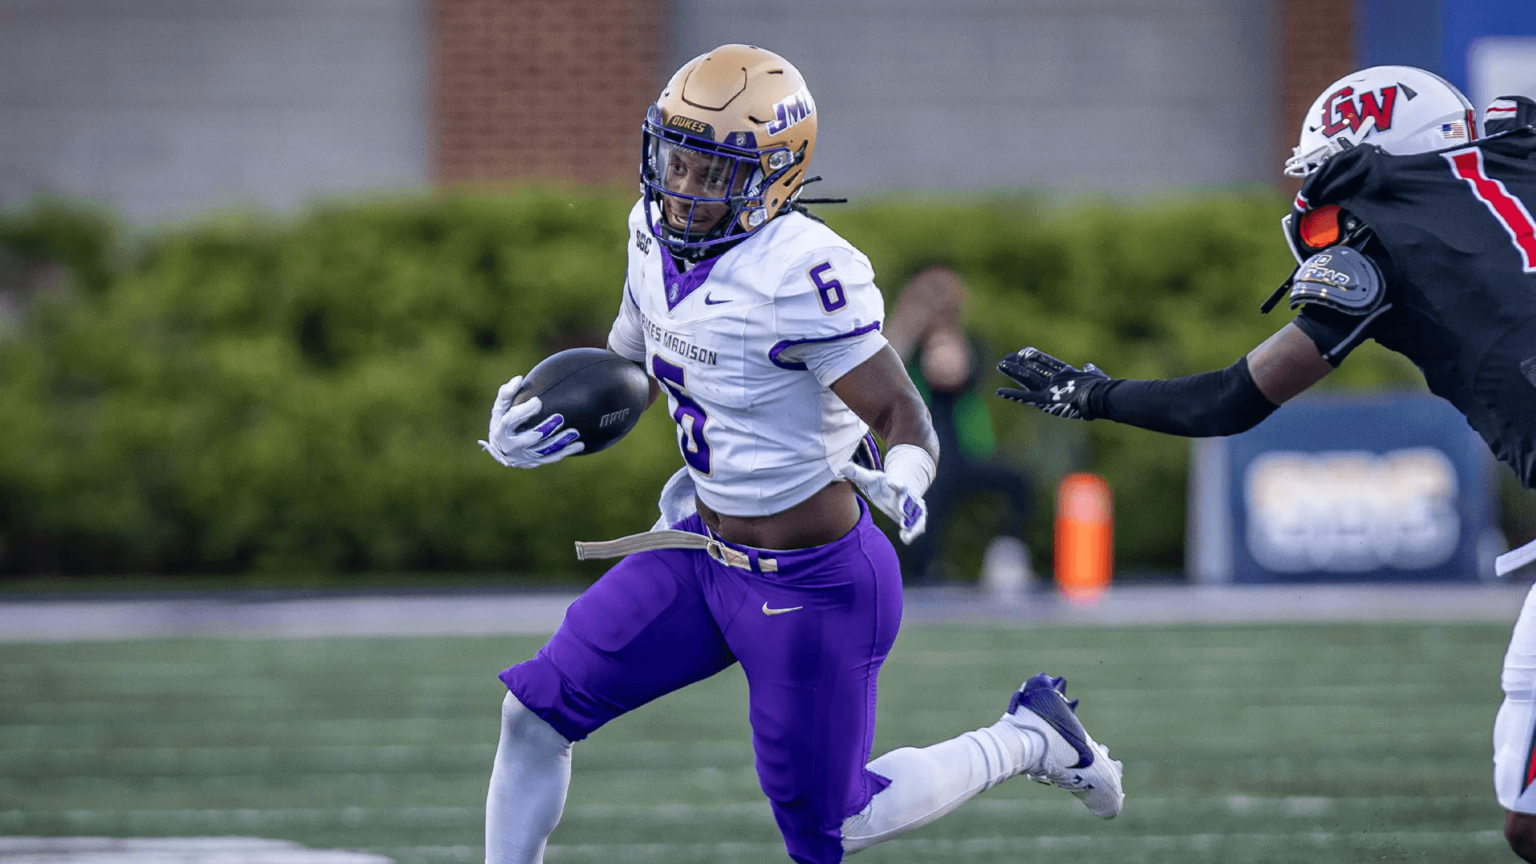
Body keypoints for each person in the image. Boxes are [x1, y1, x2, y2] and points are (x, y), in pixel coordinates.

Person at [475, 45, 1123, 864]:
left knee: (835, 823)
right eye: (678, 157)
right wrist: (540, 425)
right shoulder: (648, 231)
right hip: (698, 554)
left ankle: (1029, 736)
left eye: (714, 172)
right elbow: (630, 371)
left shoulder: (801, 270)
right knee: (533, 712)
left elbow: (899, 409)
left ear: (776, 174)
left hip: (812, 582)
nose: (685, 187)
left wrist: (908, 477)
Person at [992, 65, 1536, 861]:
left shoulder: (1376, 244)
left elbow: (1230, 400)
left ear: (1365, 158)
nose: (1313, 199)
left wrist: (1098, 395)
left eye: (1323, 172)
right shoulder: (1519, 145)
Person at [885, 266, 1033, 584]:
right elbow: (883, 361)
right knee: (924, 507)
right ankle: (924, 573)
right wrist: (913, 314)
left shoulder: (967, 344)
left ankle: (1005, 555)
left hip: (962, 449)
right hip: (922, 453)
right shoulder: (908, 353)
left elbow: (951, 370)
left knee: (1018, 483)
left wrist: (945, 322)